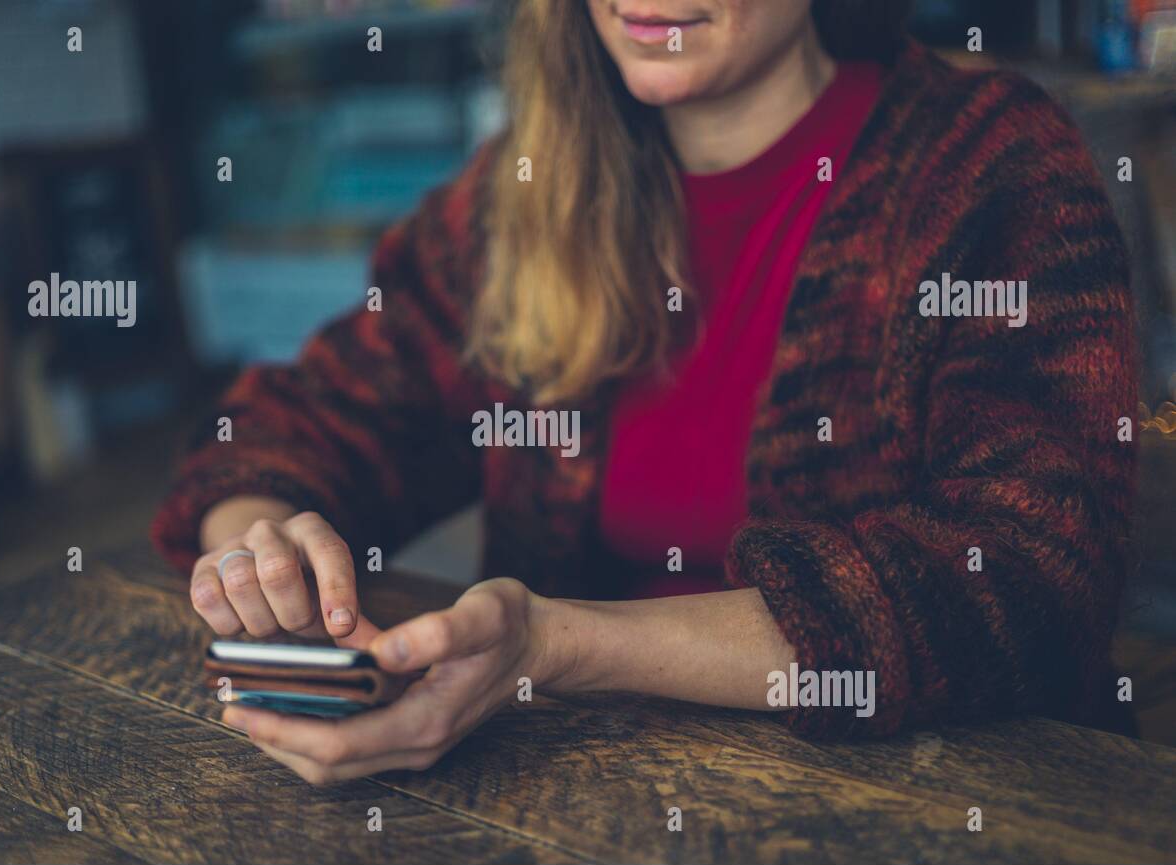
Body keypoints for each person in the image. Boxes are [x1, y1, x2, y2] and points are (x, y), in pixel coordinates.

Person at [152, 0, 1137, 784]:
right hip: (560, 801)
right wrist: (259, 553)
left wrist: (558, 643)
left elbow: (1029, 579)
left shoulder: (986, 163)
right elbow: (301, 418)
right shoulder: (523, 196)